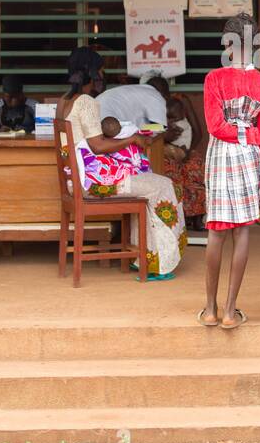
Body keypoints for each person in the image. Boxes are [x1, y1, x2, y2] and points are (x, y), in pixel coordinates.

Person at [60, 46, 185, 279]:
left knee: (148, 184)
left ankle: (144, 257)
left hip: (76, 179)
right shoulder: (85, 101)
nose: (103, 76)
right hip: (92, 184)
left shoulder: (63, 101)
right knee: (163, 185)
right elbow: (97, 146)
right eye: (101, 70)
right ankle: (159, 264)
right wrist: (132, 140)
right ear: (93, 73)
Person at [200, 13, 260, 330]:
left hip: (221, 155)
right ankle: (230, 311)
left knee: (217, 231)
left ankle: (210, 309)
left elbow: (215, 127)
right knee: (242, 231)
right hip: (250, 156)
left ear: (229, 44)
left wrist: (238, 132)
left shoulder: (214, 79)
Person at [161, 96, 208, 230]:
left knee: (195, 169)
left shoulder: (180, 100)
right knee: (170, 172)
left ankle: (198, 216)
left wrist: (187, 151)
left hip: (186, 149)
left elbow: (198, 133)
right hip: (165, 149)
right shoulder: (149, 106)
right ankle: (176, 217)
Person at [97, 75, 176, 134]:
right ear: (166, 95)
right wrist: (167, 132)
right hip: (108, 123)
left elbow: (140, 127)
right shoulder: (156, 95)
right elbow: (160, 130)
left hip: (91, 115)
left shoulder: (135, 90)